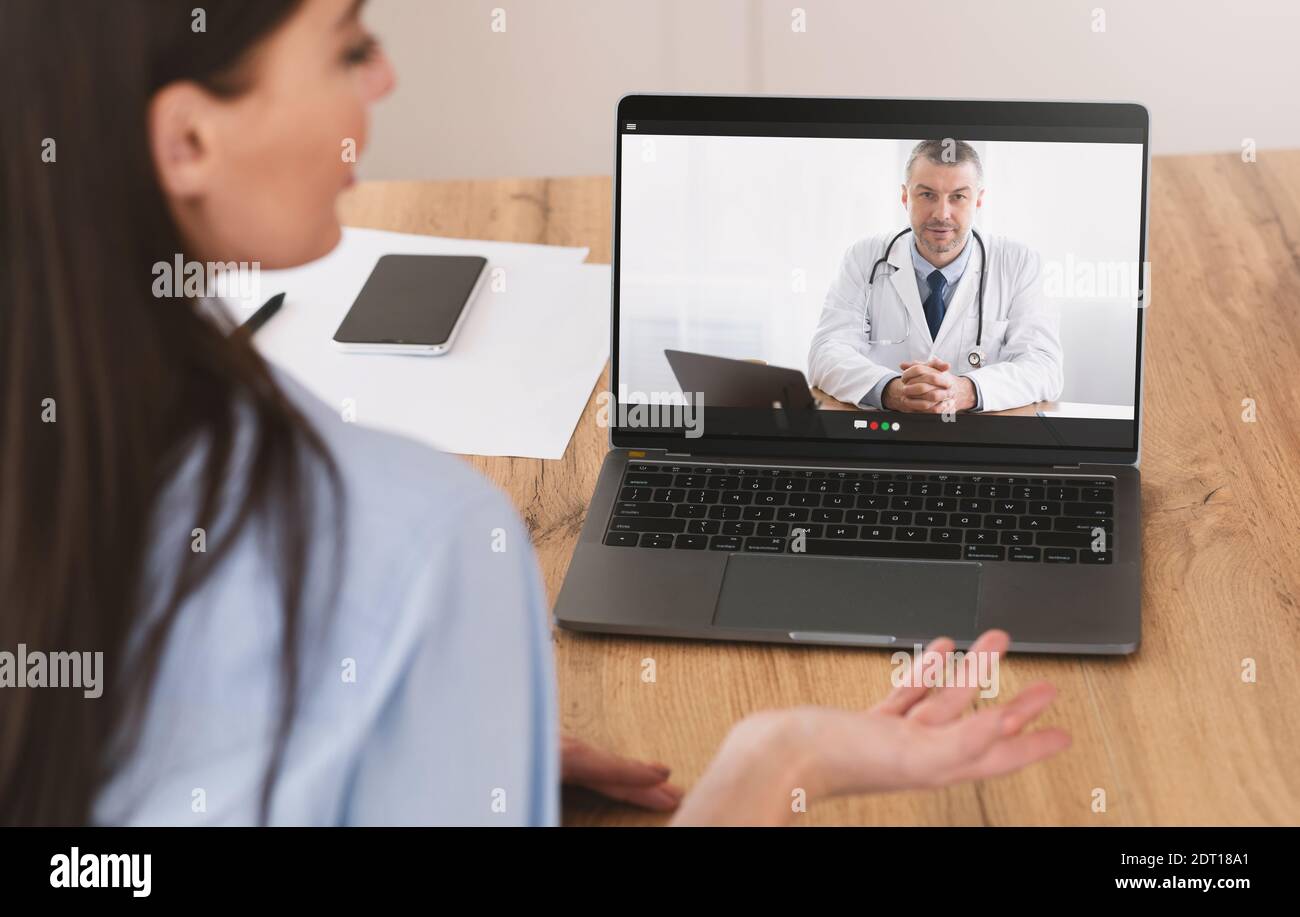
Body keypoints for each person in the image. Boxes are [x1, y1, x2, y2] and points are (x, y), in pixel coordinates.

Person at [0, 0, 1069, 826]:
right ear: (187, 139)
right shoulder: (425, 545)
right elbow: (833, 344)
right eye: (345, 44)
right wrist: (778, 757)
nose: (384, 74)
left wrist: (442, 745)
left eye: (958, 196)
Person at [808, 140, 1065, 414]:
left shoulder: (1018, 262)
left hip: (982, 442)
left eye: (958, 197)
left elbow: (1044, 366)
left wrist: (967, 390)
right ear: (905, 197)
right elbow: (826, 353)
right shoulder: (863, 257)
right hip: (885, 438)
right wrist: (889, 389)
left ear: (978, 200)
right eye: (927, 195)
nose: (942, 214)